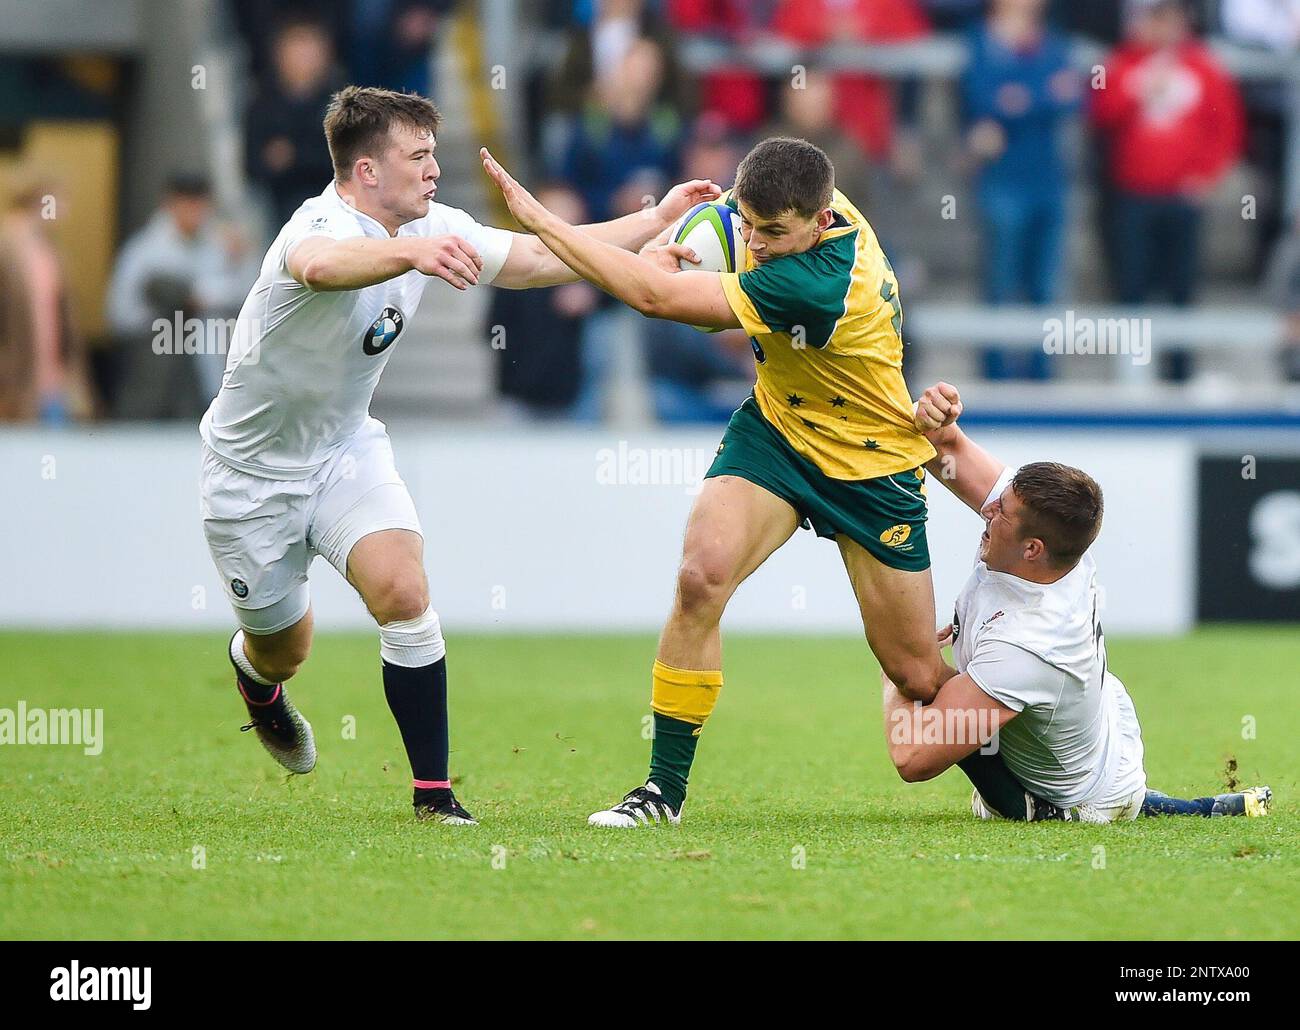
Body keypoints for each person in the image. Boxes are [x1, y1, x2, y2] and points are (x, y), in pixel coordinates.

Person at [200, 85, 721, 825]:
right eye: (418, 156)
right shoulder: (315, 224)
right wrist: (410, 251)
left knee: (405, 596)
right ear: (368, 172)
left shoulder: (432, 223)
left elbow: (541, 259)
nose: (433, 171)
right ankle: (259, 680)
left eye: (434, 154)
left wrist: (653, 221)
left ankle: (434, 798)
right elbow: (319, 267)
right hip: (248, 477)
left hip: (344, 452)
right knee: (285, 650)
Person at [482, 136, 955, 827]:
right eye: (752, 227)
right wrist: (671, 238)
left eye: (775, 233)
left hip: (870, 462)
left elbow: (652, 298)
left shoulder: (819, 284)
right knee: (701, 577)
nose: (757, 243)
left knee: (917, 676)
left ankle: (1038, 775)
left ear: (821, 222)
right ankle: (661, 794)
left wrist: (548, 225)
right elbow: (715, 231)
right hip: (781, 433)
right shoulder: (788, 197)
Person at [884, 381, 1273, 823]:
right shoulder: (1057, 544)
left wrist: (896, 663)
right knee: (957, 691)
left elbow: (912, 757)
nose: (987, 509)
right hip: (1096, 739)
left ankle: (1040, 808)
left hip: (1074, 794)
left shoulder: (1026, 645)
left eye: (1000, 511)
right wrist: (935, 414)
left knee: (931, 683)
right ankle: (1199, 809)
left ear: (1032, 548)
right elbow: (944, 445)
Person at [1091, 0, 1244, 381]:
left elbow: (1226, 127)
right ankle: (1133, 374)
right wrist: (1139, 91)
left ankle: (1180, 373)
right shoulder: (1124, 62)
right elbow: (1101, 112)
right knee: (1132, 284)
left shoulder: (1204, 67)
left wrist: (1208, 175)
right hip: (1134, 194)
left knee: (1181, 287)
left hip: (1182, 196)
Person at [962, 0, 1080, 380]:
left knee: (1045, 285)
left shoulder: (1052, 41)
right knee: (1001, 282)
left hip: (1048, 181)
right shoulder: (981, 42)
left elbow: (1074, 96)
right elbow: (982, 97)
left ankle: (1040, 374)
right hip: (1003, 181)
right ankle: (995, 374)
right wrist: (1041, 95)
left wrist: (1017, 102)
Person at [107, 173, 253, 420]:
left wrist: (240, 258)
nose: (195, 213)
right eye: (188, 205)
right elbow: (122, 314)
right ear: (171, 204)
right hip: (151, 346)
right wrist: (194, 297)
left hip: (203, 351)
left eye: (201, 206)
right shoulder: (146, 249)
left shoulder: (218, 244)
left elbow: (246, 290)